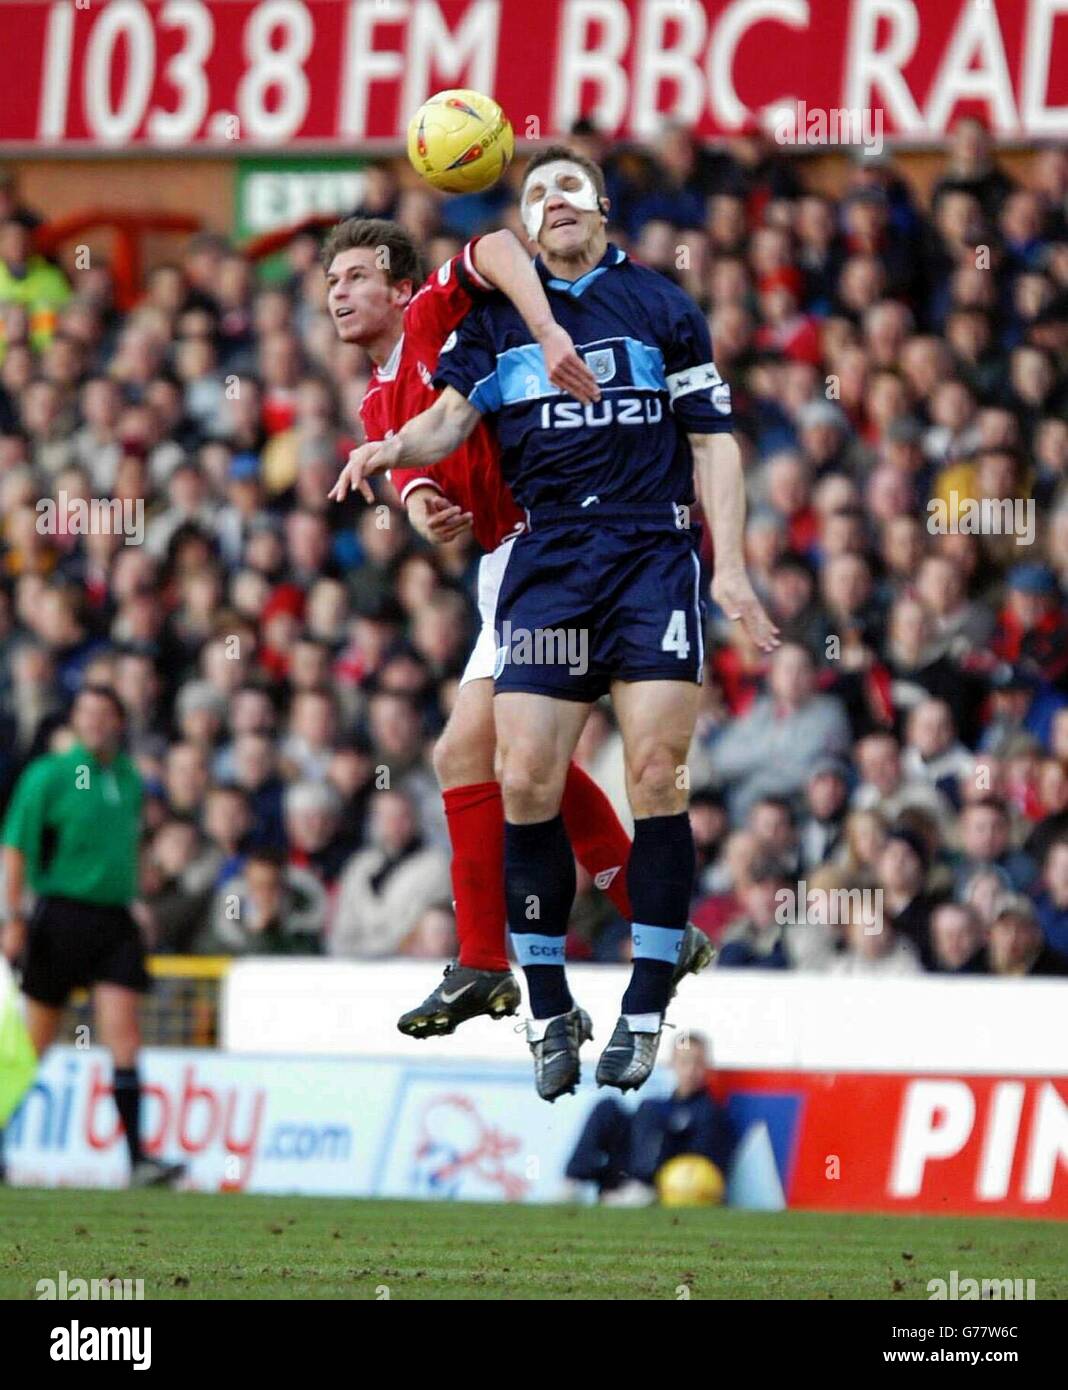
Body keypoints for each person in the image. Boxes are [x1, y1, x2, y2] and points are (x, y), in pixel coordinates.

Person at [335, 143, 779, 1098]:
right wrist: (389, 456)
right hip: (547, 560)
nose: (554, 202)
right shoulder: (491, 328)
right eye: (538, 194)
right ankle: (543, 1005)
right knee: (520, 772)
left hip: (653, 555)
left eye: (570, 188)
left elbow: (715, 444)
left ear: (605, 207)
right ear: (532, 221)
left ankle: (646, 1007)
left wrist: (733, 569)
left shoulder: (663, 307)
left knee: (658, 773)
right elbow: (445, 427)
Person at [324, 214, 674, 1036]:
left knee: (479, 754)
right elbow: (408, 468)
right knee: (498, 756)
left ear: (400, 287)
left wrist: (548, 328)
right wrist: (419, 506)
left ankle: (493, 961)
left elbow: (500, 248)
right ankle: (629, 913)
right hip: (509, 555)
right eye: (332, 283)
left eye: (357, 277)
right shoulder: (376, 395)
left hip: (549, 540)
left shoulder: (430, 321)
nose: (339, 293)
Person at [0, 685, 183, 1187]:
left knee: (125, 1035)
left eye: (106, 714)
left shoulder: (129, 778)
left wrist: (137, 895)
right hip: (60, 917)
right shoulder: (50, 775)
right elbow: (14, 847)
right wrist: (12, 916)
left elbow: (126, 848)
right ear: (76, 721)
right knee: (33, 1042)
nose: (96, 722)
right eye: (87, 713)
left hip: (113, 921)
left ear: (120, 722)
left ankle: (137, 1159)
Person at [564, 1032, 735, 1203]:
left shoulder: (710, 1113)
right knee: (608, 1107)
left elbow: (702, 1164)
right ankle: (573, 1183)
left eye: (697, 1063)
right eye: (684, 1062)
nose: (690, 1070)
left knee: (650, 1108)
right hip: (624, 1175)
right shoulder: (661, 1105)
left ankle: (641, 1186)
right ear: (672, 1064)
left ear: (707, 1066)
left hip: (667, 1183)